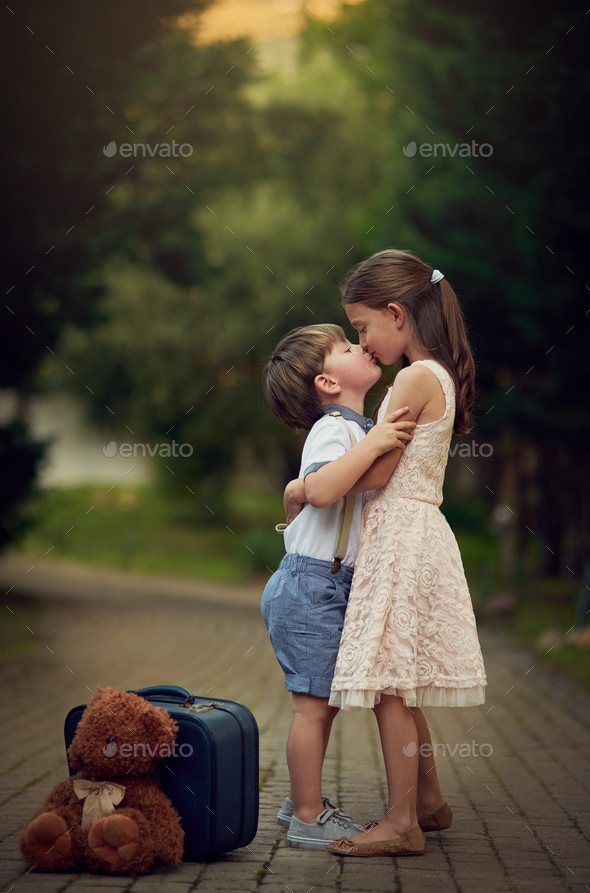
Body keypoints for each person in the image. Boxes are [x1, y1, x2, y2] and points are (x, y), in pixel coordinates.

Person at [284, 250, 487, 858]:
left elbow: (374, 477)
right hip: (418, 529)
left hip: (398, 533)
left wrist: (303, 487)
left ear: (397, 313)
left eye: (365, 327)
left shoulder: (412, 379)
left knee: (390, 690)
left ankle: (402, 824)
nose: (366, 344)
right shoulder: (437, 374)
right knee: (402, 682)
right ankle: (426, 800)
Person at [261, 323, 416, 849]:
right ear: (327, 383)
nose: (361, 345)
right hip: (309, 586)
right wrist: (375, 440)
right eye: (347, 347)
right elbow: (323, 490)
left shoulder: (355, 426)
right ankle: (307, 815)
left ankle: (297, 802)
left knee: (319, 702)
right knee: (313, 706)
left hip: (326, 584)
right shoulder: (334, 429)